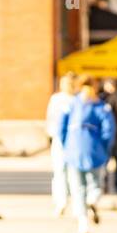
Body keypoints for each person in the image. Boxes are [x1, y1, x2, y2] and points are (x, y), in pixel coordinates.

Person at [61, 80, 115, 233]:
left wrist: (66, 144)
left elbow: (61, 126)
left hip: (73, 150)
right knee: (95, 184)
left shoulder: (72, 104)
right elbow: (109, 130)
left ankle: (82, 222)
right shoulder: (101, 106)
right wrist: (104, 148)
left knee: (77, 188)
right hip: (94, 149)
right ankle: (93, 199)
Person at [46, 72, 76, 216]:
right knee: (65, 173)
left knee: (62, 173)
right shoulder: (70, 100)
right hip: (66, 140)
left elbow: (50, 119)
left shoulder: (73, 100)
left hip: (65, 139)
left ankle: (63, 202)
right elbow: (50, 119)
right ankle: (62, 202)